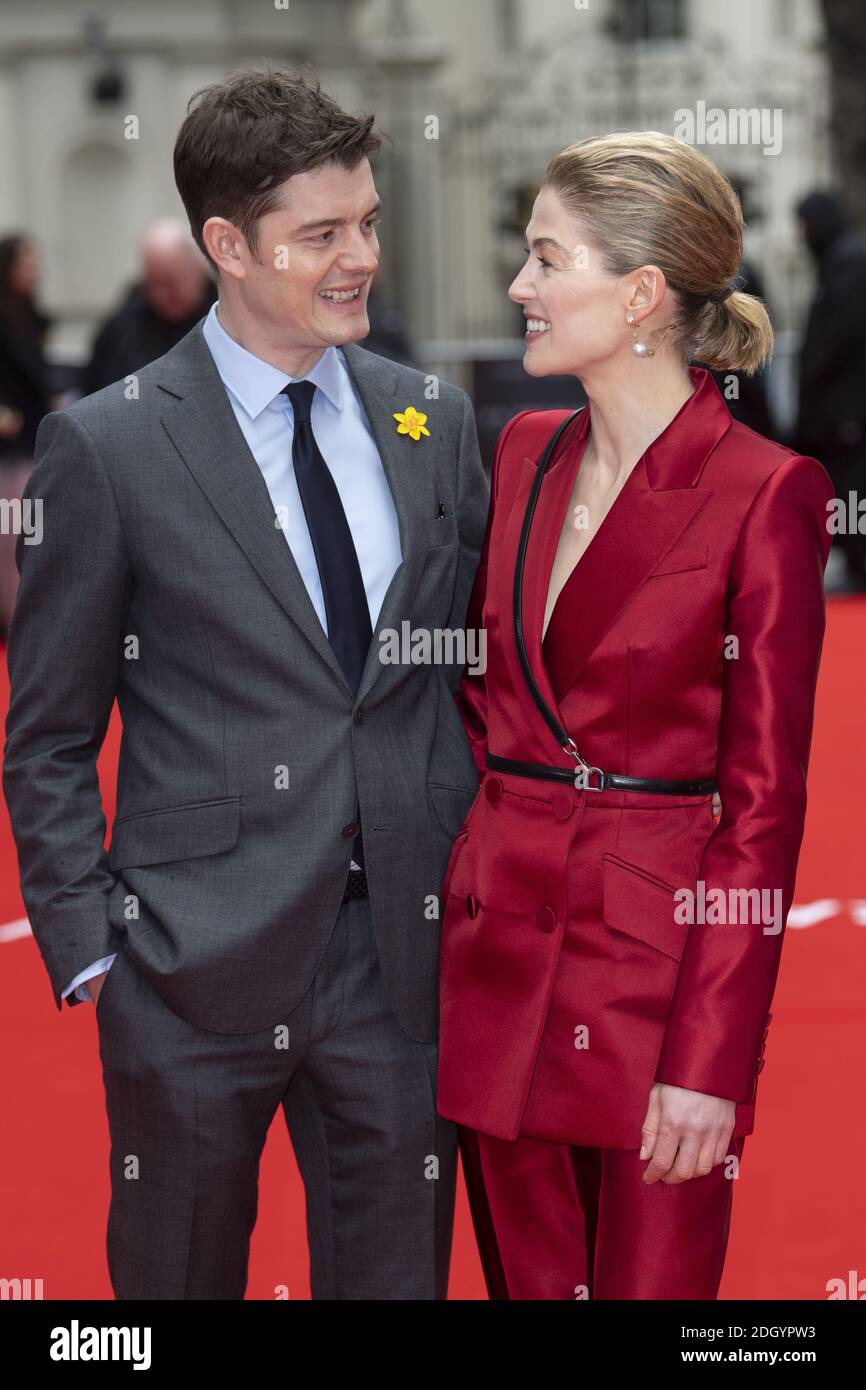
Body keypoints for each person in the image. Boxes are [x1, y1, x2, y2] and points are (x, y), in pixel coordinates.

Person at [3, 67, 487, 1300]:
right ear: (226, 243)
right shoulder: (106, 444)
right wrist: (92, 950)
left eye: (368, 222)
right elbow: (48, 730)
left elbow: (462, 677)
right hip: (186, 971)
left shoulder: (432, 418)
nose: (359, 257)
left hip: (401, 967)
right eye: (320, 234)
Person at [436, 131, 833, 1300]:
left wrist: (708, 1065)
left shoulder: (765, 493)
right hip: (498, 972)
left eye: (545, 258)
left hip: (649, 998)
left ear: (641, 293)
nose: (518, 286)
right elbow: (478, 701)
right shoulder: (518, 450)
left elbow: (762, 811)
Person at [794, 191, 866, 592]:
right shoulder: (841, 261)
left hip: (847, 414)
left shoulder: (849, 265)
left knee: (853, 487)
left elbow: (839, 343)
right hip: (841, 413)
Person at [81, 218, 217, 396]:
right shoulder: (124, 324)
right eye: (153, 284)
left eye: (170, 284)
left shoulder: (228, 318)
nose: (160, 296)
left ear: (198, 269)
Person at [0, 234, 54, 638]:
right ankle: (14, 616)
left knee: (31, 530)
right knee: (12, 530)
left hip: (34, 439)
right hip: (9, 447)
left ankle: (27, 611)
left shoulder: (33, 317)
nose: (32, 271)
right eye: (25, 262)